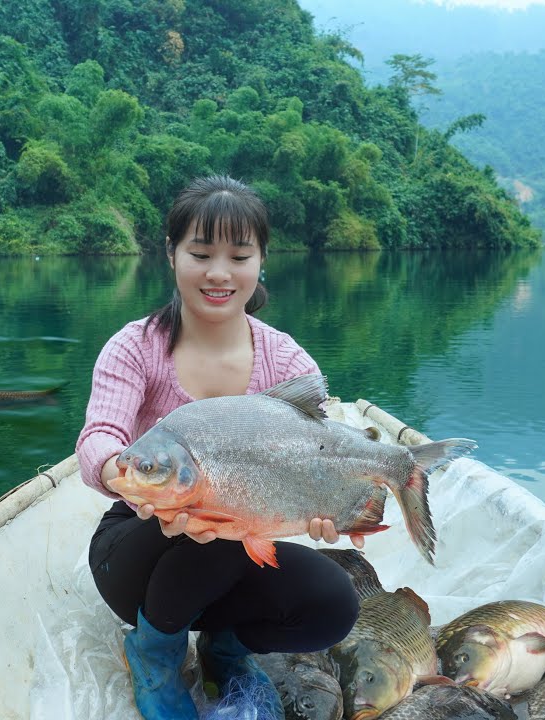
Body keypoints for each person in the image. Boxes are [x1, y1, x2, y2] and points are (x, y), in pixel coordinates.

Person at [76, 175, 362, 720]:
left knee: (332, 602)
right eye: (200, 253)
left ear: (261, 261)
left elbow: (317, 453)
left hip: (237, 532)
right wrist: (123, 470)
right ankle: (154, 652)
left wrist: (325, 507)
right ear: (172, 254)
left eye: (239, 255)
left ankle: (224, 648)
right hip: (138, 548)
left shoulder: (287, 360)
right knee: (214, 516)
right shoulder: (135, 347)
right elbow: (99, 439)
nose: (219, 273)